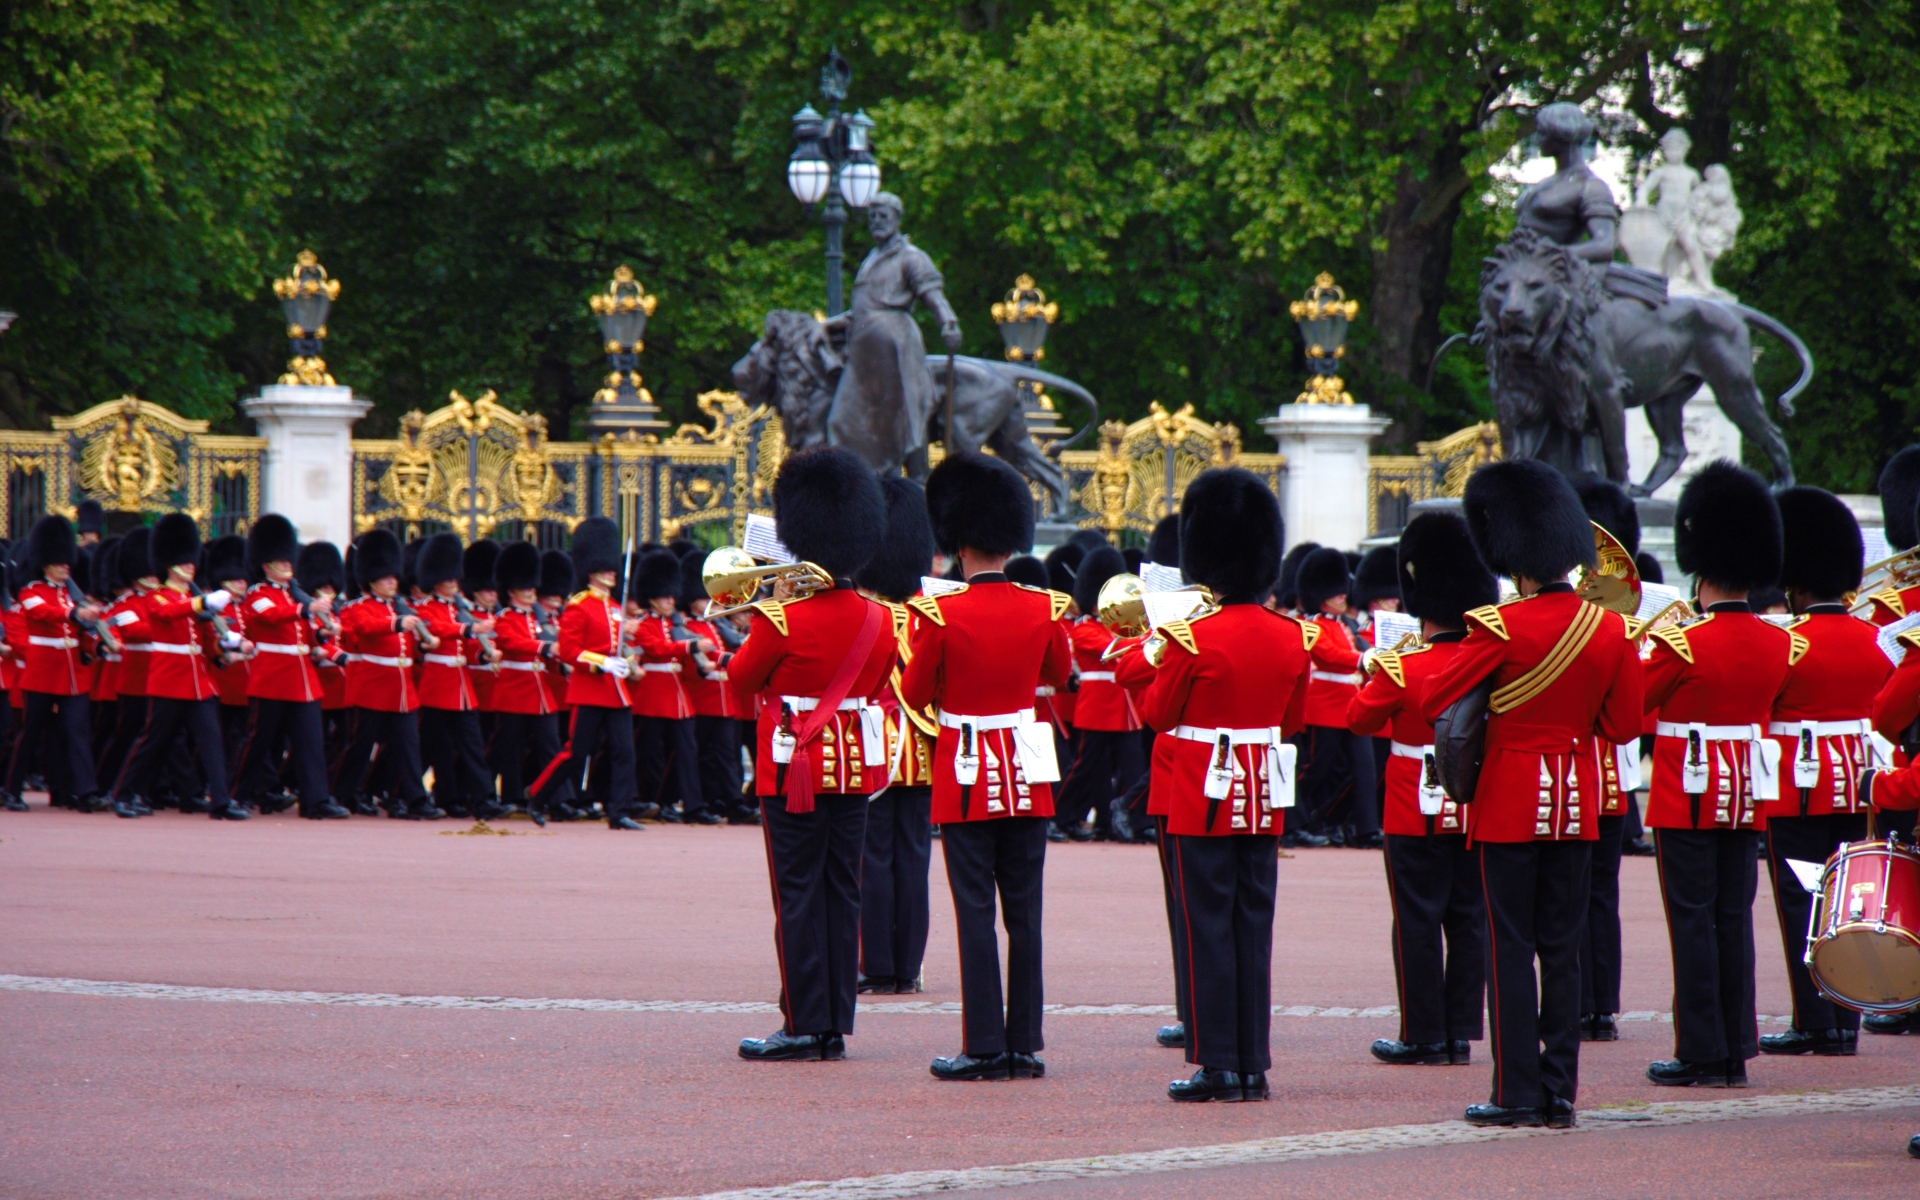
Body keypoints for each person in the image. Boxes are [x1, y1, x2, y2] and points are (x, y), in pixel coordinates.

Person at [1422, 459, 1643, 1129]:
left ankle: (1516, 1091)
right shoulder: (1610, 629)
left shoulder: (1500, 627)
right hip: (1577, 802)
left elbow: (1432, 696)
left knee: (1509, 946)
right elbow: (1624, 725)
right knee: (1563, 947)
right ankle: (1559, 1093)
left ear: (1515, 558)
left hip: (1511, 802)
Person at [1133, 468, 1306, 1102]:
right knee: (1252, 924)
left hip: (1200, 794)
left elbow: (1158, 715)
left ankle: (1216, 1064)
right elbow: (1292, 721)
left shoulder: (1191, 637)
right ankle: (1253, 1064)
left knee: (1206, 924)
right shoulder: (1293, 638)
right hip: (1262, 794)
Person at [900, 452, 1071, 1081]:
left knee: (974, 910)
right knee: (1025, 912)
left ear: (959, 541)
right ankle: (1024, 1044)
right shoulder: (1044, 607)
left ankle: (983, 1045)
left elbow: (914, 694)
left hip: (968, 770)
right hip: (1026, 768)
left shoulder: (939, 614)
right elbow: (1058, 674)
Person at [730, 447, 895, 1061]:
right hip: (854, 768)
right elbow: (876, 689)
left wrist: (758, 616)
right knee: (841, 889)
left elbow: (741, 682)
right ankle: (834, 1027)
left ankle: (802, 1023)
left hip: (792, 767)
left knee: (796, 892)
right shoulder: (882, 620)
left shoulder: (781, 618)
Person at [1641, 461, 1792, 1088]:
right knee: (1734, 916)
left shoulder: (1683, 643)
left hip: (1686, 792)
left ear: (1699, 574)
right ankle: (1736, 1047)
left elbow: (1632, 707)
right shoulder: (1778, 641)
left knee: (1691, 919)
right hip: (1744, 793)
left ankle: (1699, 1048)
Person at [1348, 511, 1494, 1068]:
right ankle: (1459, 1032)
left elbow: (1359, 719)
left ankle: (1422, 1033)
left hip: (1413, 802)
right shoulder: (1486, 660)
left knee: (1415, 918)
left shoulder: (1401, 665)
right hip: (1473, 797)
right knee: (1467, 916)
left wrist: (1370, 674)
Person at [1758, 488, 1889, 1057]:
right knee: (1852, 901)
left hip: (1796, 789)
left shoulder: (1787, 643)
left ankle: (1814, 1021)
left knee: (1800, 904)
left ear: (1797, 584)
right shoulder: (1877, 641)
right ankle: (1847, 1020)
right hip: (1859, 788)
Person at [857, 475, 939, 996]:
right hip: (925, 750)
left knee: (872, 859)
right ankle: (907, 967)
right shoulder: (930, 615)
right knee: (914, 860)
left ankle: (877, 964)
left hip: (870, 749)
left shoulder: (864, 615)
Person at [109, 513, 247, 820]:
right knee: (152, 741)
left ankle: (221, 802)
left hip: (197, 680)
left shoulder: (193, 598)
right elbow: (171, 613)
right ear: (169, 564)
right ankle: (122, 794)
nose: (190, 565)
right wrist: (202, 604)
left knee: (212, 740)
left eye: (191, 561)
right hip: (169, 679)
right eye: (184, 561)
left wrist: (228, 646)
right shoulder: (157, 597)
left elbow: (206, 636)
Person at [1571, 475, 1645, 1042]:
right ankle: (1599, 1008)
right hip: (1609, 779)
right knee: (1600, 893)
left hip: (1577, 775)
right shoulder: (1624, 629)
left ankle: (1586, 1002)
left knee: (1578, 891)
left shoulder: (1603, 626)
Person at [528, 518, 643, 830]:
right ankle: (537, 796)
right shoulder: (578, 606)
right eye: (606, 569)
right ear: (592, 571)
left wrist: (627, 658)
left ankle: (618, 812)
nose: (612, 572)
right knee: (576, 753)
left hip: (615, 690)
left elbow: (619, 643)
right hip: (590, 688)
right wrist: (602, 663)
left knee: (624, 752)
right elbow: (568, 651)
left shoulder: (616, 607)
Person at [230, 515, 345, 820]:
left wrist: (323, 631)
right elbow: (271, 616)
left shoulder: (295, 595)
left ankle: (315, 800)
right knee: (258, 740)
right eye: (280, 559)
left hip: (301, 677)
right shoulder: (257, 594)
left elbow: (305, 634)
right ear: (267, 563)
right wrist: (306, 608)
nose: (287, 563)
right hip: (272, 675)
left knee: (310, 741)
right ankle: (236, 794)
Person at [5, 516, 112, 813]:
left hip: (72, 675)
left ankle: (85, 792)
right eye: (61, 562)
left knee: (77, 732)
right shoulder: (31, 592)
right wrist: (77, 615)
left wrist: (98, 645)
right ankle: (11, 789)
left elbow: (81, 636)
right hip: (42, 672)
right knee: (29, 733)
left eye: (68, 562)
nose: (67, 566)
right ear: (45, 562)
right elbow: (45, 614)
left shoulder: (72, 595)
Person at [334, 529, 439, 820]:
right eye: (385, 577)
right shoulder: (356, 608)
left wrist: (423, 644)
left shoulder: (400, 608)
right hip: (372, 688)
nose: (392, 581)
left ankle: (415, 799)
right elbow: (368, 629)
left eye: (394, 577)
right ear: (371, 579)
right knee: (360, 746)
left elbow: (407, 648)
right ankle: (342, 794)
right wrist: (398, 623)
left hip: (402, 689)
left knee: (408, 747)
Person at [1056, 545, 1146, 842]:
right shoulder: (1084, 631)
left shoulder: (1125, 629)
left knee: (1134, 768)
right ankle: (1061, 815)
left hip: (1123, 709)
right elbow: (1112, 650)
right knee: (1087, 769)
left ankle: (1130, 821)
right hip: (1096, 707)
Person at [1290, 547, 1378, 848]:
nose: (1343, 596)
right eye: (1336, 592)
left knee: (1363, 770)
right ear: (1321, 594)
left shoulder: (1344, 627)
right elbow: (1328, 656)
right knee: (1316, 770)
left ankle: (1363, 827)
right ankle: (1294, 819)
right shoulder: (1312, 626)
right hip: (1324, 708)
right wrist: (1363, 658)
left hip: (1352, 705)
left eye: (1343, 591)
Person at [414, 532, 504, 820]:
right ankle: (445, 797)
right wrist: (469, 630)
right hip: (438, 684)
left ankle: (484, 798)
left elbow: (468, 646)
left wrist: (484, 653)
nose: (454, 583)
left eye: (456, 578)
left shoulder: (459, 609)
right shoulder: (426, 609)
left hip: (461, 685)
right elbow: (439, 630)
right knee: (438, 747)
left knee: (472, 746)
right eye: (448, 578)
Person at [628, 548, 714, 822]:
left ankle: (691, 805)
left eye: (671, 595)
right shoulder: (645, 625)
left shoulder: (674, 624)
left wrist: (699, 662)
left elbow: (677, 653)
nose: (670, 600)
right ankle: (641, 800)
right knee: (648, 753)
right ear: (652, 598)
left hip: (678, 694)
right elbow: (658, 648)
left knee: (687, 751)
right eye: (664, 596)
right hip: (653, 693)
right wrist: (691, 645)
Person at [488, 541, 568, 825]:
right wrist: (544, 648)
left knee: (551, 746)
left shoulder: (541, 619)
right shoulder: (504, 618)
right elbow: (512, 642)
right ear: (512, 591)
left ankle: (556, 800)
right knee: (506, 748)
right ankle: (494, 796)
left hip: (539, 690)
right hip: (514, 689)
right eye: (526, 588)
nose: (532, 592)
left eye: (533, 587)